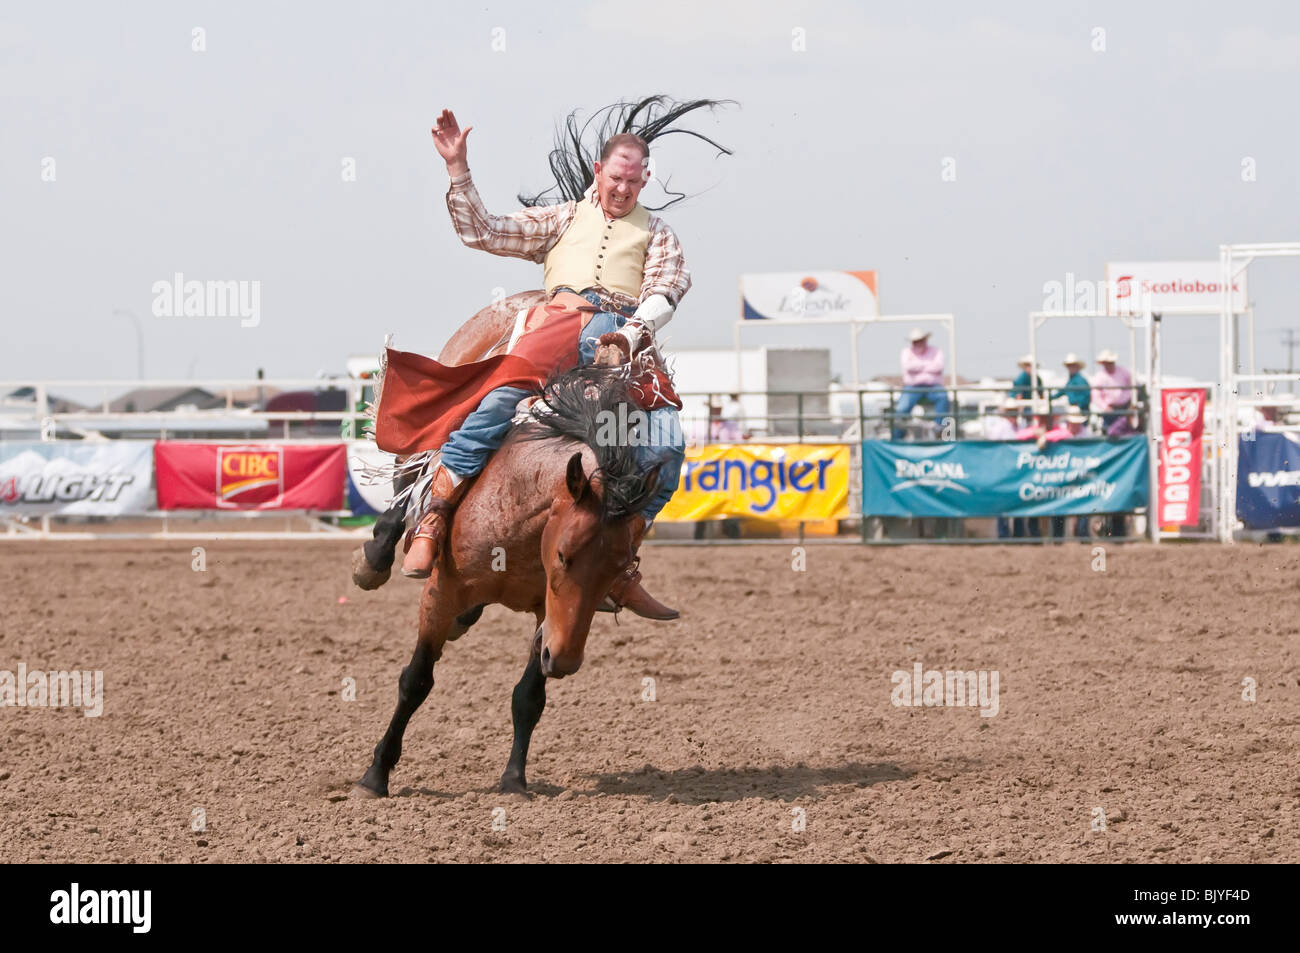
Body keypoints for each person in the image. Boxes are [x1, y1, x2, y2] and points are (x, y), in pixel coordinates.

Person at [401, 108, 694, 619]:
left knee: (666, 442)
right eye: (616, 178)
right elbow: (485, 232)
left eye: (632, 180)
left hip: (626, 333)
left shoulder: (658, 233)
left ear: (644, 179)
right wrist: (457, 169)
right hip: (557, 321)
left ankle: (621, 565)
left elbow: (666, 290)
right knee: (494, 406)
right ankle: (433, 518)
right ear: (599, 173)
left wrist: (629, 335)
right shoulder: (561, 219)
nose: (622, 189)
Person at [893, 329, 950, 439]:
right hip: (912, 387)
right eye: (915, 341)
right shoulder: (906, 352)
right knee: (901, 408)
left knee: (943, 397)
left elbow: (939, 367)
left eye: (920, 340)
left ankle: (940, 429)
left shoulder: (936, 351)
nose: (918, 343)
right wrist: (928, 365)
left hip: (933, 386)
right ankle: (898, 436)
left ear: (925, 340)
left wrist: (918, 367)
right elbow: (908, 367)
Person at [1092, 349, 1134, 436]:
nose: (1108, 365)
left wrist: (1130, 400)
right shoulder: (1100, 377)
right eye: (1106, 363)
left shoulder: (1124, 372)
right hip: (1110, 410)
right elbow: (1096, 396)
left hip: (1125, 408)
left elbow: (1133, 384)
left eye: (1110, 362)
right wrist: (1105, 407)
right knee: (1109, 432)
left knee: (1128, 431)